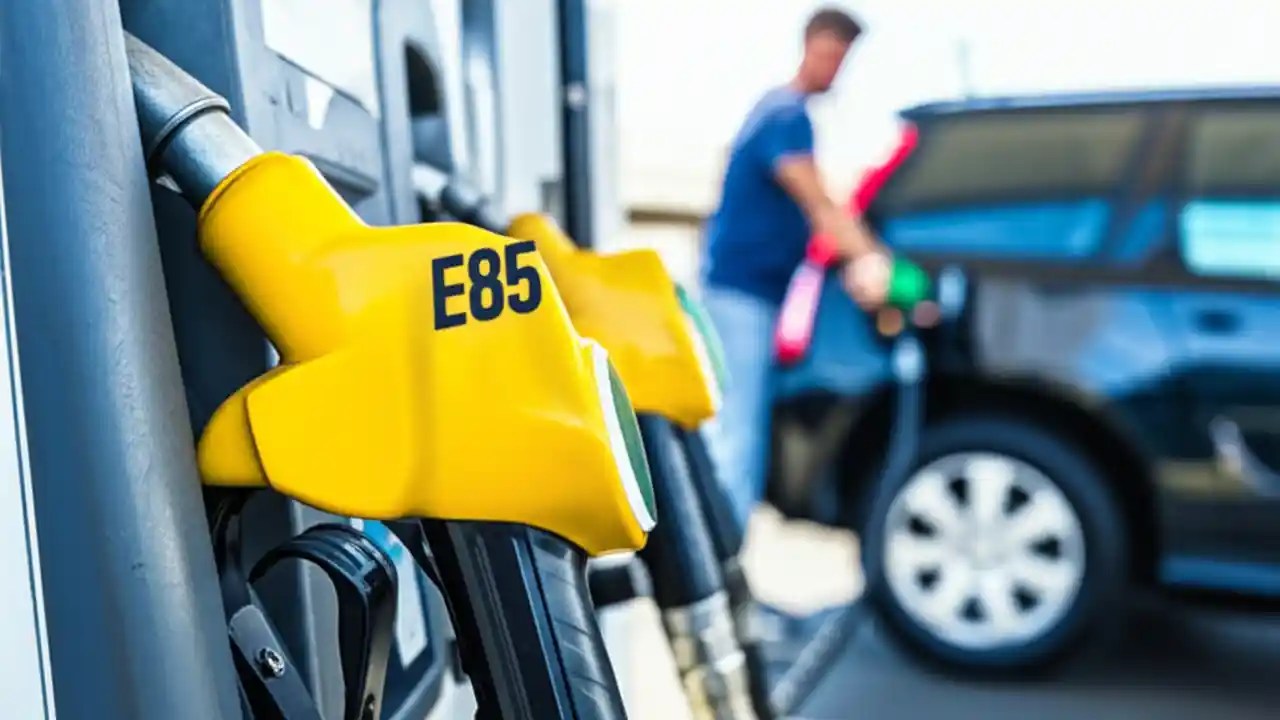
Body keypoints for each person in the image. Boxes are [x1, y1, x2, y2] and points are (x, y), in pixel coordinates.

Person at [701, 7, 894, 528]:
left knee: (737, 431)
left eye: (843, 60)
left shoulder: (784, 115)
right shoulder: (785, 115)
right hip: (739, 294)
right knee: (738, 435)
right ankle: (721, 568)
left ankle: (722, 559)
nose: (835, 70)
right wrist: (878, 262)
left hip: (750, 294)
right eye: (830, 55)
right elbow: (821, 207)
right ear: (808, 46)